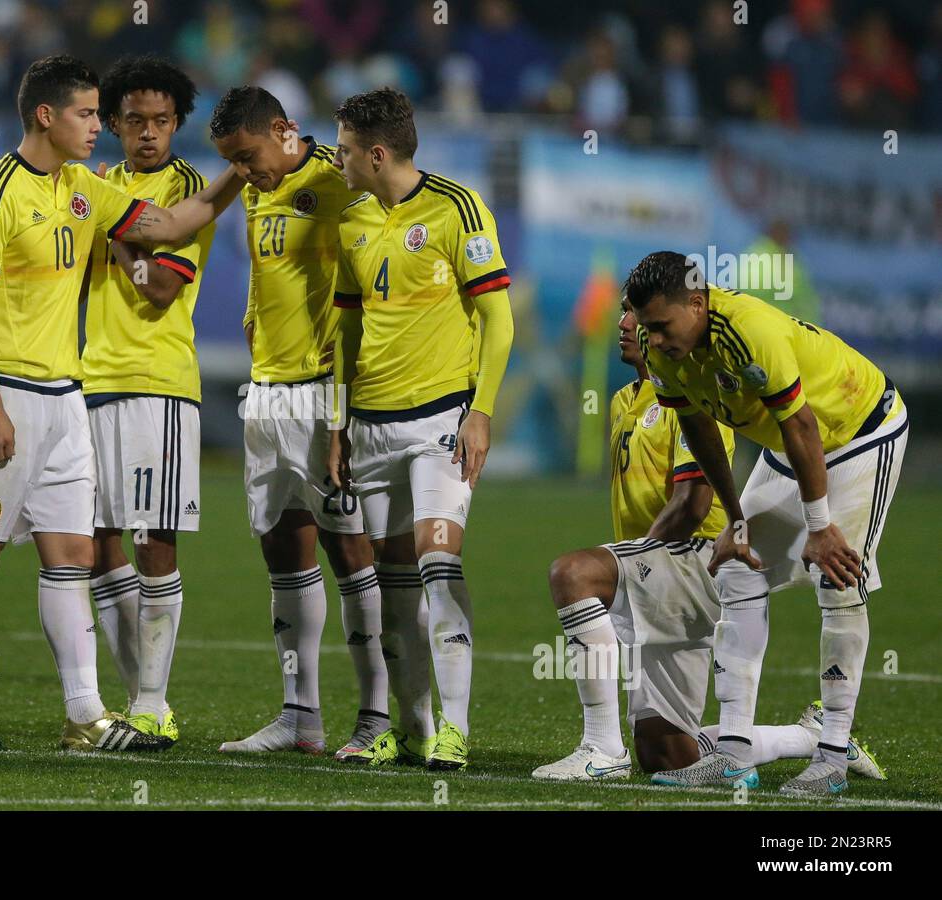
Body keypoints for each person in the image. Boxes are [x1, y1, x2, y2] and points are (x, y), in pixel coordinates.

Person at [0, 54, 243, 751]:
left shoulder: (85, 188)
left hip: (67, 399)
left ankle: (84, 714)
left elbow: (168, 225)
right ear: (46, 115)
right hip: (3, 392)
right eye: (87, 114)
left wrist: (236, 175)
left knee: (71, 556)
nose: (99, 127)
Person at [531, 296, 884, 783]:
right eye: (625, 313)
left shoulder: (692, 387)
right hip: (658, 573)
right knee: (666, 754)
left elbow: (694, 504)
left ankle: (600, 749)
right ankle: (811, 736)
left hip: (698, 560)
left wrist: (632, 564)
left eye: (637, 314)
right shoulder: (622, 401)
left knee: (574, 574)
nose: (626, 324)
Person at [629, 251, 906, 796]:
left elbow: (802, 422)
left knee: (838, 581)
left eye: (661, 327)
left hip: (858, 431)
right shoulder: (657, 348)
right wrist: (735, 520)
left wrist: (819, 525)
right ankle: (733, 754)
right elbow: (701, 429)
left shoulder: (751, 332)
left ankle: (831, 754)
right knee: (740, 568)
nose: (654, 340)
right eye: (646, 329)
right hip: (789, 445)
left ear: (697, 302)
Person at [329, 88, 514, 771]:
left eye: (345, 150)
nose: (337, 160)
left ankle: (455, 732)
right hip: (369, 424)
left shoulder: (457, 209)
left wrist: (482, 410)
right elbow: (348, 326)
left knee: (440, 562)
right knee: (395, 586)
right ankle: (411, 730)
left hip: (439, 418)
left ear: (377, 154)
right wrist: (338, 421)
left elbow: (498, 318)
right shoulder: (351, 222)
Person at [210, 86, 390, 761]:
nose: (245, 174)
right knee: (283, 551)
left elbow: (366, 292)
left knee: (350, 551)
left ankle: (374, 717)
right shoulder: (259, 189)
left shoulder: (339, 185)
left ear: (285, 130)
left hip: (323, 396)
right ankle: (300, 715)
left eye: (249, 157)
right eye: (234, 162)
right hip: (268, 395)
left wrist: (349, 407)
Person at [83, 55, 214, 746]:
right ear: (111, 124)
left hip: (157, 384)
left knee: (152, 543)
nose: (149, 134)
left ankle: (153, 704)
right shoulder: (99, 184)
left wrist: (119, 235)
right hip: (92, 380)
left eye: (161, 121)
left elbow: (158, 287)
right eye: (135, 121)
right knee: (98, 545)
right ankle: (141, 704)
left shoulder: (187, 189)